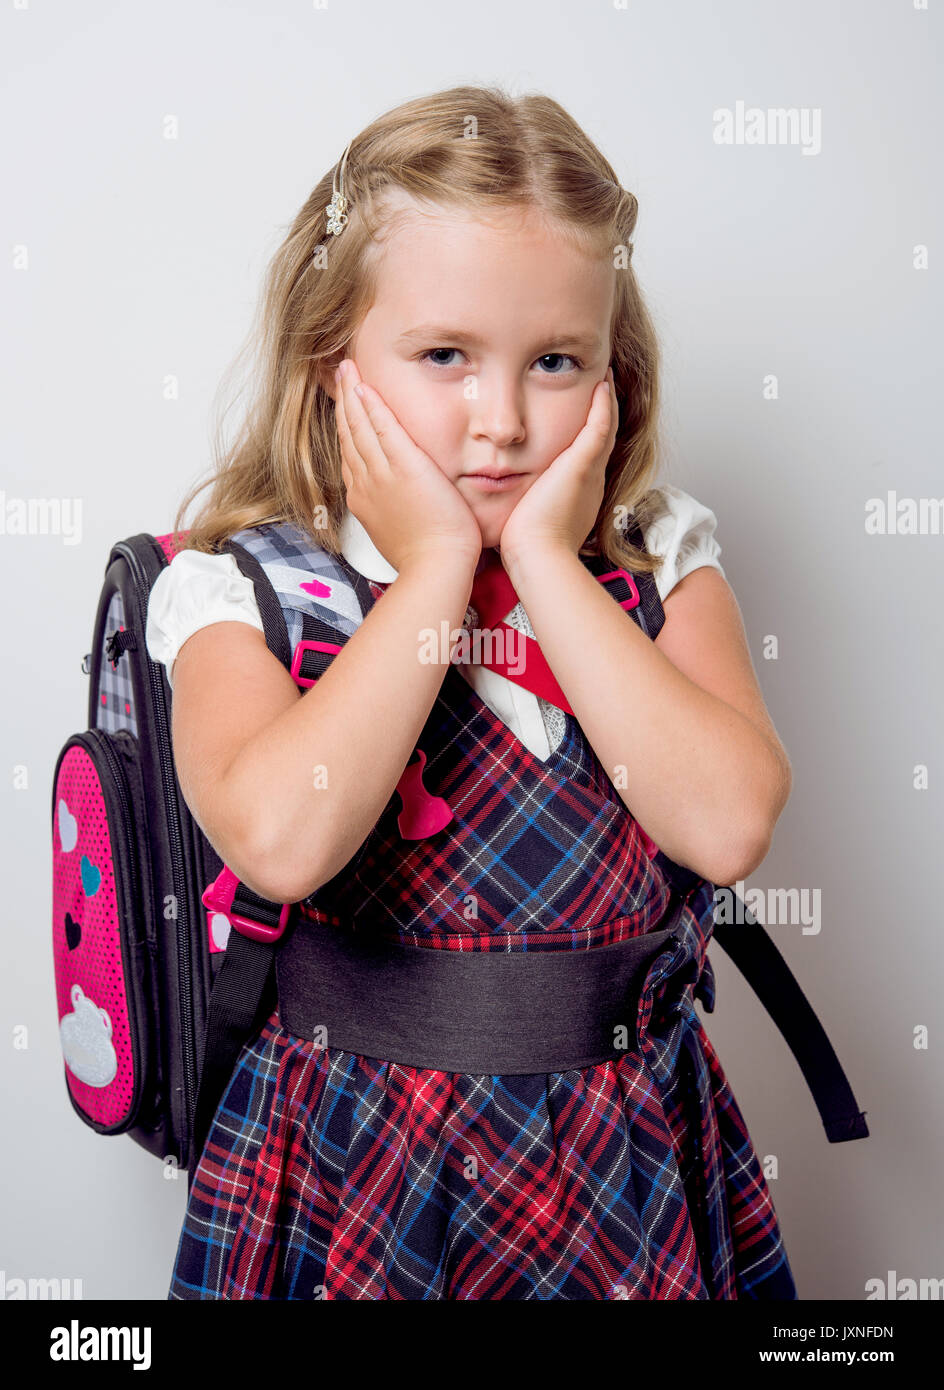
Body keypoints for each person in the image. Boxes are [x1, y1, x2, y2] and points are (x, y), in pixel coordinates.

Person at [145, 83, 796, 1300]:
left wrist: (545, 561)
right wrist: (438, 568)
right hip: (347, 1176)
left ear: (615, 373)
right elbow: (282, 839)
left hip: (625, 1170)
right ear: (331, 362)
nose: (498, 423)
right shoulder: (242, 593)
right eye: (443, 356)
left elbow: (725, 824)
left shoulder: (658, 565)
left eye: (554, 361)